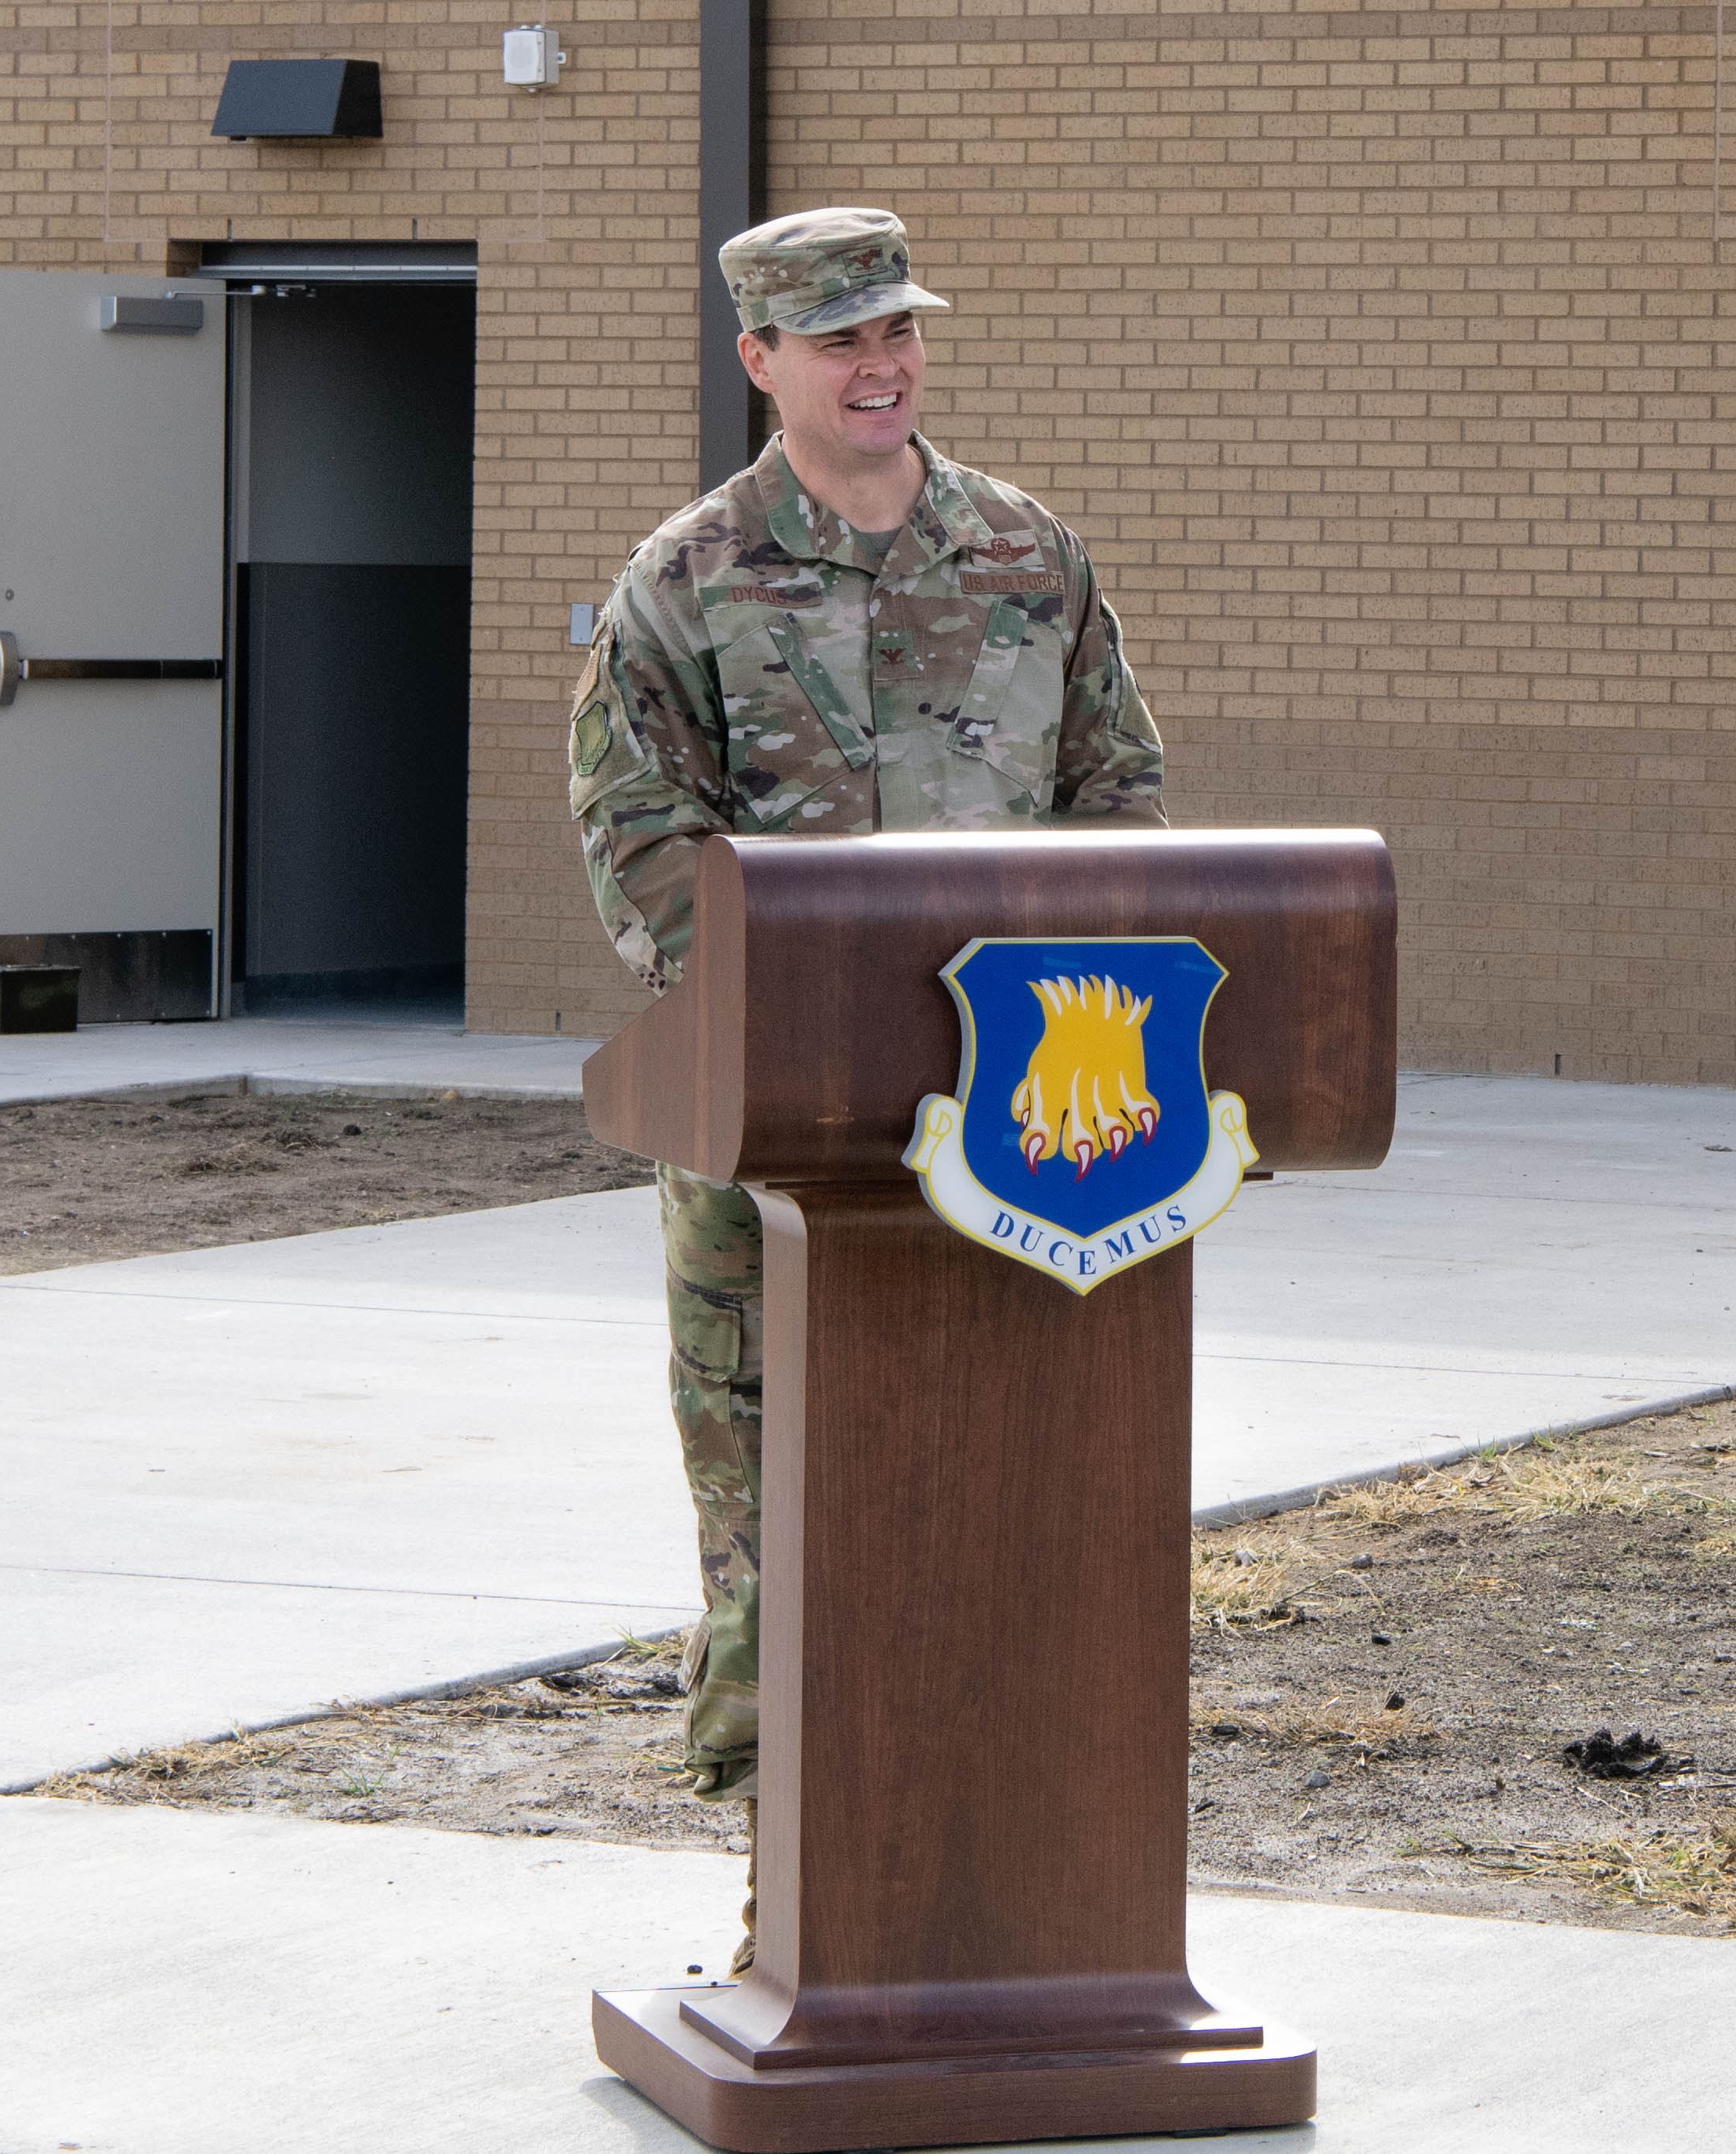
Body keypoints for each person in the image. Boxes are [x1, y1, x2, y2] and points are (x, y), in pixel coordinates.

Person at [566, 207, 1166, 1970]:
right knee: (784, 1523)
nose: (881, 362)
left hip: (1024, 1137)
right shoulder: (685, 579)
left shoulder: (1031, 556)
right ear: (762, 363)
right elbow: (640, 849)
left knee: (1015, 1500)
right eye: (839, 340)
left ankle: (1028, 1894)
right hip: (777, 1136)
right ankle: (802, 1905)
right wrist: (816, 1011)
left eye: (897, 328)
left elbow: (1118, 783)